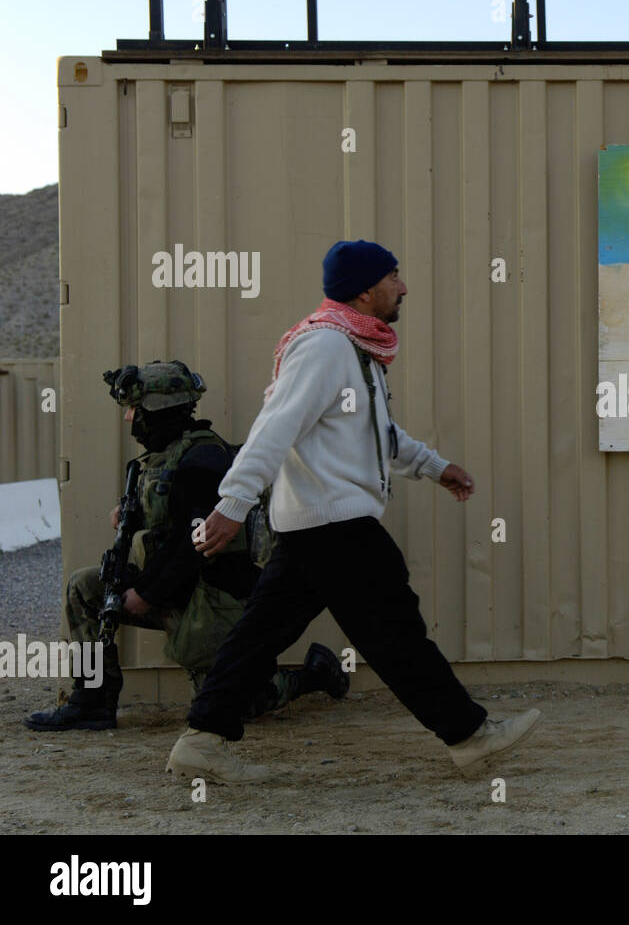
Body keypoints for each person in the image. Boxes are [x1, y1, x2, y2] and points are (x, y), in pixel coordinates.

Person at [165, 240, 541, 783]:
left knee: (258, 636)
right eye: (394, 277)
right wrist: (232, 503)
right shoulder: (323, 348)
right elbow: (276, 427)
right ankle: (470, 737)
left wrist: (435, 467)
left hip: (314, 527)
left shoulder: (354, 349)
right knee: (396, 632)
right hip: (336, 524)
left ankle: (202, 740)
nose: (404, 287)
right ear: (365, 290)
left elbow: (376, 433)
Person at [23, 361, 348, 732]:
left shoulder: (203, 459)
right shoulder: (163, 457)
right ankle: (91, 700)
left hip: (215, 596)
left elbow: (192, 542)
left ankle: (314, 675)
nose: (130, 419)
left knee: (232, 704)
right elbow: (172, 520)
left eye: (136, 410)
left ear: (159, 411)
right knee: (86, 588)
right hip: (178, 591)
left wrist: (145, 593)